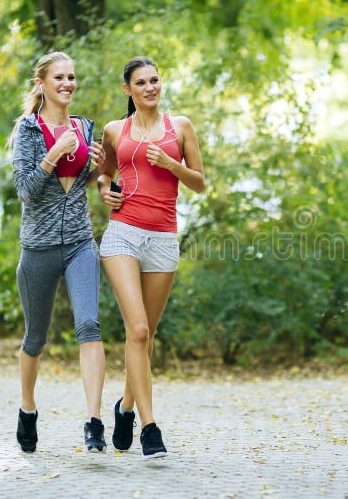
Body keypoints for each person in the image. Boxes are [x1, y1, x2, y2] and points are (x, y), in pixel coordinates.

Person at [96, 56, 206, 459]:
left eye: (155, 80)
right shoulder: (115, 130)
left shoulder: (181, 127)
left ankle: (124, 408)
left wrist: (171, 163)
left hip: (162, 238)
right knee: (137, 330)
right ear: (128, 90)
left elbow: (200, 183)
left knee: (146, 335)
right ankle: (150, 428)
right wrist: (105, 188)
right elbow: (105, 174)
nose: (149, 87)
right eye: (141, 82)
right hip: (123, 233)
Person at [9, 51, 109, 454]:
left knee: (89, 325)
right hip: (38, 249)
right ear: (42, 84)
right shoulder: (28, 131)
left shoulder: (84, 126)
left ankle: (93, 422)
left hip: (81, 243)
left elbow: (79, 184)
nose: (68, 84)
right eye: (59, 77)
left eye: (72, 77)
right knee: (35, 338)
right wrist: (53, 154)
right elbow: (26, 191)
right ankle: (28, 408)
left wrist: (97, 170)